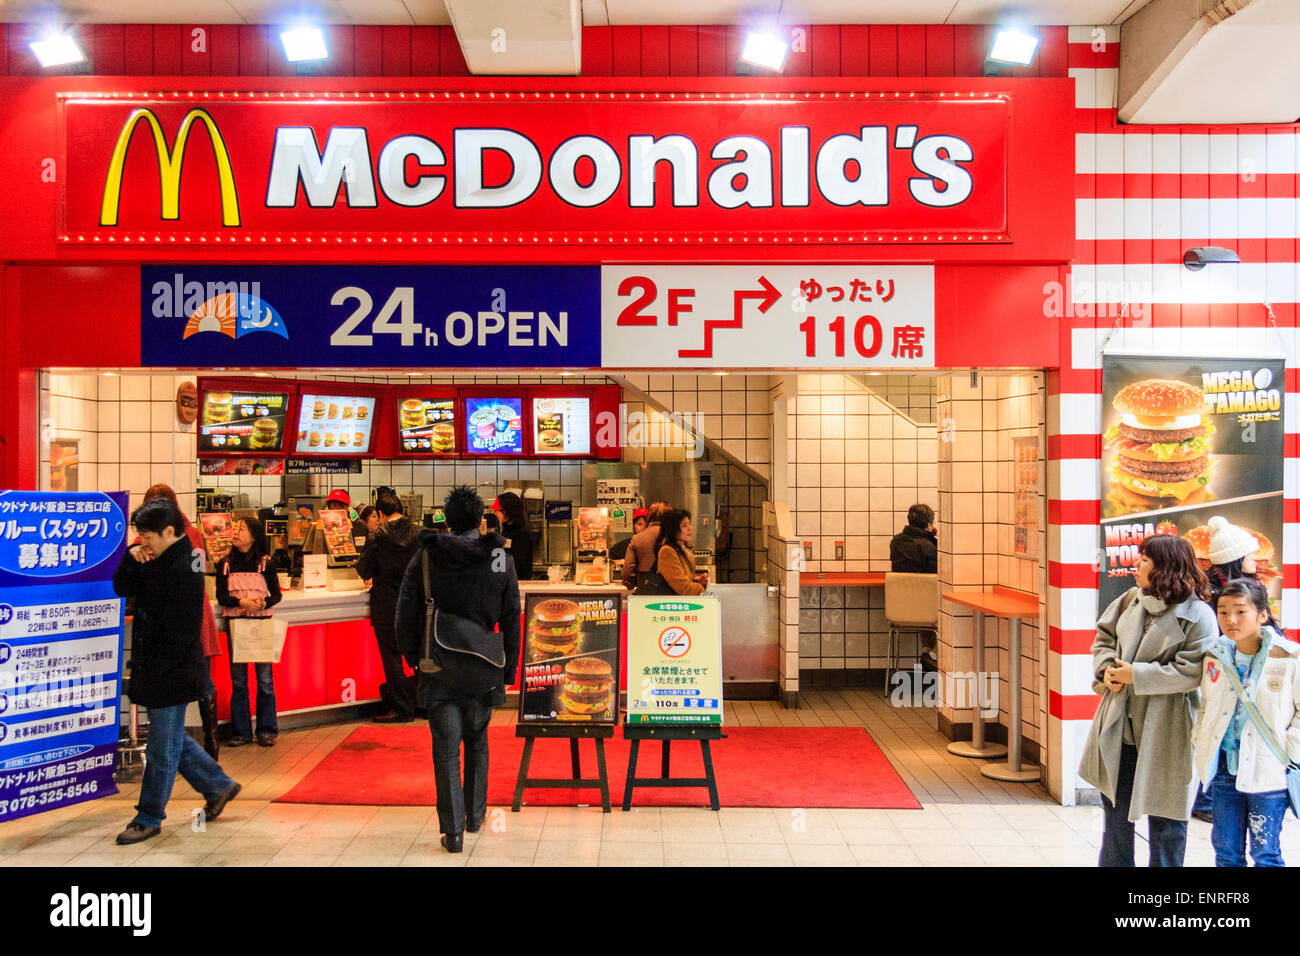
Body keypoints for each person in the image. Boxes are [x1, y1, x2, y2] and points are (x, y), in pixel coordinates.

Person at [1078, 534, 1216, 867]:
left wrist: (1135, 675)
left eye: (1143, 560)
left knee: (1167, 820)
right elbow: (1103, 638)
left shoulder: (1199, 615)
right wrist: (1107, 670)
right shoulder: (1130, 600)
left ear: (1165, 567)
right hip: (1119, 725)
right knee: (1115, 816)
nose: (1135, 566)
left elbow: (1192, 672)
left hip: (1168, 728)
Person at [396, 486, 521, 853]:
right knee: (478, 741)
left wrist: (414, 659)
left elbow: (404, 615)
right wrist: (508, 668)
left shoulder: (426, 556)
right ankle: (474, 816)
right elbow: (511, 617)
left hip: (438, 665)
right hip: (484, 667)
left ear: (447, 521)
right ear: (481, 520)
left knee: (446, 749)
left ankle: (452, 833)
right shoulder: (498, 556)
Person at [112, 498, 241, 845]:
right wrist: (132, 556)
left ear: (169, 531)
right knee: (170, 740)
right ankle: (218, 786)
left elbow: (181, 630)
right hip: (156, 667)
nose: (143, 541)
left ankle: (148, 817)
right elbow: (122, 588)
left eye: (147, 535)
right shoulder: (155, 556)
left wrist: (158, 671)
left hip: (173, 671)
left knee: (161, 748)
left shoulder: (187, 565)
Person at [1193, 578, 1300, 867]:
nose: (1230, 619)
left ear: (1262, 615)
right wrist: (1200, 740)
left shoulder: (1289, 657)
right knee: (1227, 854)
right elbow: (1207, 705)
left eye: (1241, 611)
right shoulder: (1215, 655)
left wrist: (1290, 751)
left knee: (1265, 854)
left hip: (1269, 770)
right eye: (1223, 611)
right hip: (1224, 771)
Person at [140, 483, 222, 760]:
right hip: (169, 618)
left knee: (201, 682)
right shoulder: (149, 536)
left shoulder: (190, 534)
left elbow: (195, 574)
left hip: (189, 617)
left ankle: (210, 742)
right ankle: (192, 746)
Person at [216, 517, 283, 747]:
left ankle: (267, 730)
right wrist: (241, 603)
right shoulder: (225, 563)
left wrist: (263, 604)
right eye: (235, 528)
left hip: (261, 624)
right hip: (235, 624)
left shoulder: (266, 563)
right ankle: (241, 732)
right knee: (238, 681)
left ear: (253, 536)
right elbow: (221, 596)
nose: (236, 532)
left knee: (265, 679)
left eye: (241, 529)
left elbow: (276, 595)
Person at [356, 493, 421, 723]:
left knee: (392, 658)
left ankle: (402, 708)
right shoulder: (418, 533)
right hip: (415, 603)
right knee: (419, 656)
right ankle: (422, 703)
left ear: (381, 513)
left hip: (386, 603)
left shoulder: (378, 536)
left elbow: (364, 569)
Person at [654, 508, 709, 596]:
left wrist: (697, 580)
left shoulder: (683, 550)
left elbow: (683, 578)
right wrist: (703, 591)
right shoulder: (667, 551)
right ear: (672, 529)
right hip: (673, 602)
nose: (690, 528)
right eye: (684, 525)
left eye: (689, 524)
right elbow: (683, 587)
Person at [622, 500, 671, 590]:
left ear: (649, 516)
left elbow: (627, 571)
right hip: (670, 589)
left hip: (645, 588)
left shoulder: (637, 538)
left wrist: (632, 583)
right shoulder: (675, 536)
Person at [495, 491, 534, 581]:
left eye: (498, 510)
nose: (495, 513)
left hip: (518, 583)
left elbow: (516, 563)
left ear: (508, 511)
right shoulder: (507, 529)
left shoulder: (522, 533)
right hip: (506, 581)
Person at [890, 503, 938, 574]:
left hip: (899, 581)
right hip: (924, 581)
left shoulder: (896, 540)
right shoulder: (928, 546)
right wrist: (933, 538)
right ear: (929, 525)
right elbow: (935, 571)